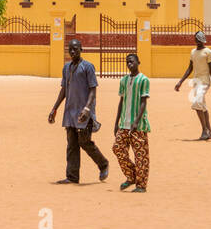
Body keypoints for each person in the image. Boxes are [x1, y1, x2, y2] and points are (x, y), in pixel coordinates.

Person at [48, 38, 109, 184]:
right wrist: (54, 108)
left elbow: (93, 90)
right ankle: (72, 176)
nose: (72, 51)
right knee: (71, 145)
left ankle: (103, 164)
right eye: (70, 49)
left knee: (84, 142)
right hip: (70, 112)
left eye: (75, 49)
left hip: (84, 113)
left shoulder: (88, 67)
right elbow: (64, 89)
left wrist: (87, 109)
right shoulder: (66, 68)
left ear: (81, 49)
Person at [113, 52, 150, 193]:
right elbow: (121, 102)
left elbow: (143, 102)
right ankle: (132, 175)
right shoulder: (123, 80)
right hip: (124, 124)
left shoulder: (143, 80)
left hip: (138, 125)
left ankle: (141, 185)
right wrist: (116, 123)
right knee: (117, 148)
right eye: (127, 62)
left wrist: (136, 121)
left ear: (138, 62)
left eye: (132, 61)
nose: (129, 64)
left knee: (141, 155)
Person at [175, 29, 211, 140]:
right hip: (196, 82)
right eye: (196, 39)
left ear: (203, 40)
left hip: (205, 81)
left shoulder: (209, 52)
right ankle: (210, 132)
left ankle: (204, 130)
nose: (198, 41)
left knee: (196, 102)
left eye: (200, 39)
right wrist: (180, 81)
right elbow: (190, 68)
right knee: (202, 106)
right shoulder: (193, 52)